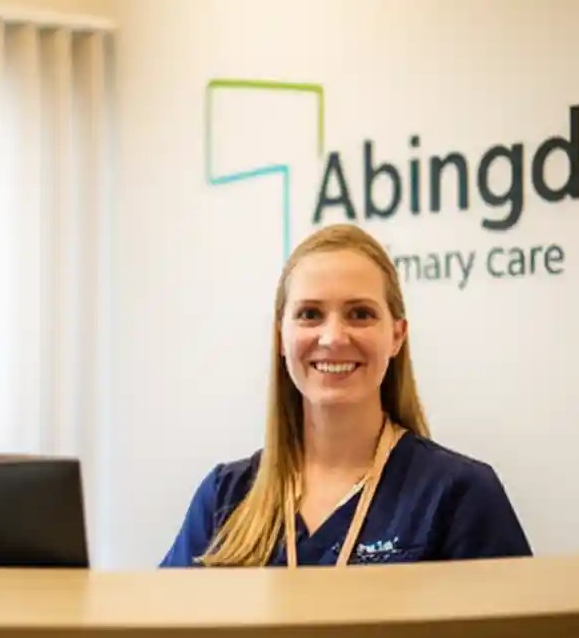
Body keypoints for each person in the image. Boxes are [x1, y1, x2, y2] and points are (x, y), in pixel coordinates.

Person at [160, 223, 531, 567]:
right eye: (309, 314)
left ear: (397, 336)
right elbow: (163, 631)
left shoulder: (457, 495)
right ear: (280, 338)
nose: (334, 337)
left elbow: (516, 637)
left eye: (360, 314)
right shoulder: (225, 497)